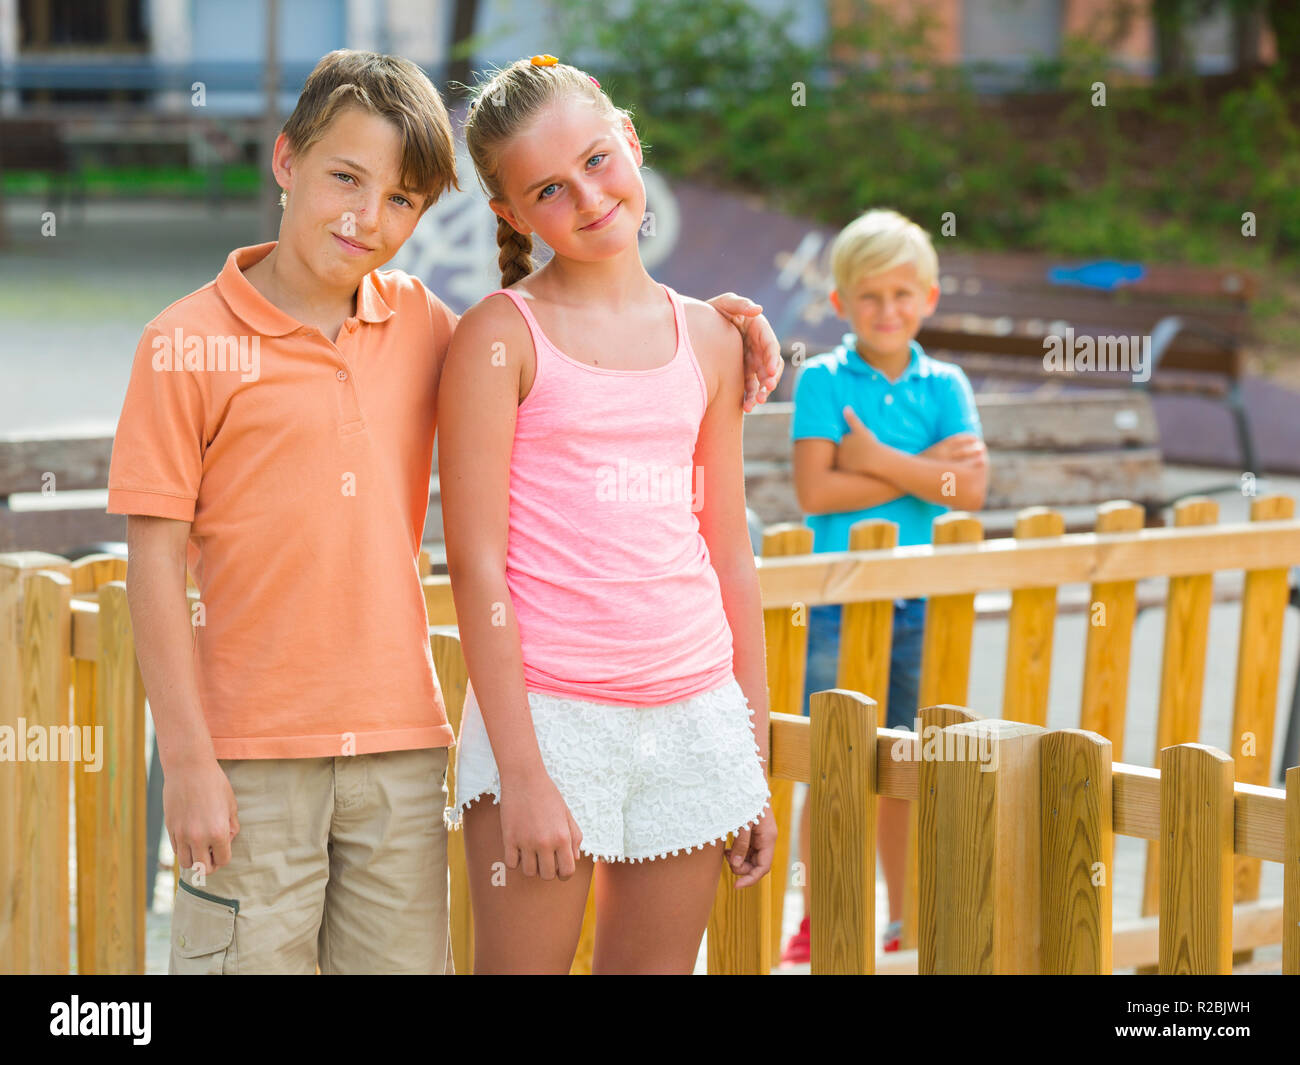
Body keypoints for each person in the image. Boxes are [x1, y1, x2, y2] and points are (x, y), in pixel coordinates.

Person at [108, 49, 783, 975]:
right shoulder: (191, 344)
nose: (366, 216)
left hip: (402, 748)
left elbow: (618, 392)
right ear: (285, 159)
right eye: (345, 177)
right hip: (252, 752)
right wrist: (184, 760)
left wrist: (726, 320)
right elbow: (151, 560)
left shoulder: (423, 324)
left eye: (401, 201)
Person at [438, 55, 777, 975]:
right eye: (549, 187)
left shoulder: (710, 337)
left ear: (629, 139)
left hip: (696, 713)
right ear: (510, 214)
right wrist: (522, 771)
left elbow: (729, 558)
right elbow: (476, 565)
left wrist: (749, 752)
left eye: (596, 159)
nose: (588, 196)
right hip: (549, 719)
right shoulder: (499, 338)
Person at [782, 208, 987, 963]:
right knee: (835, 762)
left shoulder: (947, 382)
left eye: (904, 294)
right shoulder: (824, 379)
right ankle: (820, 913)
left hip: (920, 603)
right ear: (840, 304)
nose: (888, 310)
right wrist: (921, 467)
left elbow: (969, 493)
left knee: (906, 762)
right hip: (839, 599)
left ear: (929, 298)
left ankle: (902, 917)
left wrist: (868, 455)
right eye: (869, 296)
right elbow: (815, 492)